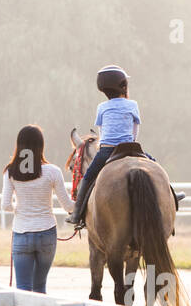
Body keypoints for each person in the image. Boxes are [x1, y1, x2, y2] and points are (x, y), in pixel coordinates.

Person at [70, 65, 183, 226]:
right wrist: (132, 141)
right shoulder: (132, 105)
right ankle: (171, 194)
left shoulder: (101, 107)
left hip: (107, 150)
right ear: (123, 85)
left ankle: (76, 213)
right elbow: (136, 127)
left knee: (88, 177)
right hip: (131, 147)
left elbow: (101, 130)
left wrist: (103, 144)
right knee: (155, 165)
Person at [1, 124, 73, 306]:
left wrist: (20, 210)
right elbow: (68, 205)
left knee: (22, 286)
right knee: (39, 285)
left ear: (19, 145)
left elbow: (4, 205)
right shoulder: (52, 172)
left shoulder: (11, 172)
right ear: (41, 145)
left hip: (21, 233)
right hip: (46, 234)